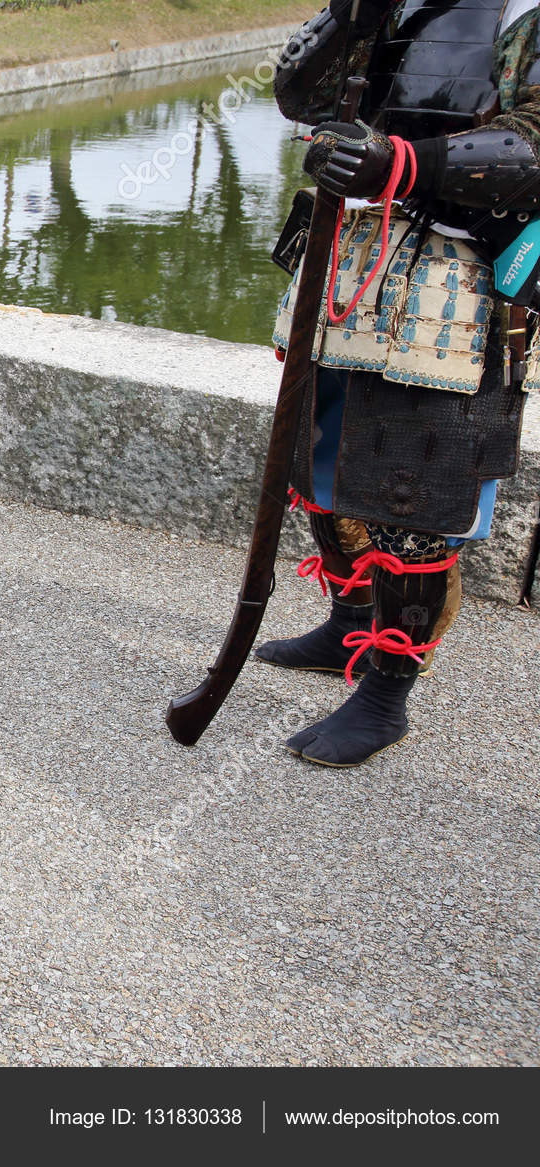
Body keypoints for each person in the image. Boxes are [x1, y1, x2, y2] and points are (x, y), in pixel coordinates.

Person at [258, 0, 532, 765]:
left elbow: (536, 148)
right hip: (347, 252)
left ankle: (386, 690)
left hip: (459, 274)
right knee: (318, 461)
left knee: (408, 496)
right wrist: (352, 19)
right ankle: (348, 617)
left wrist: (404, 164)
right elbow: (301, 96)